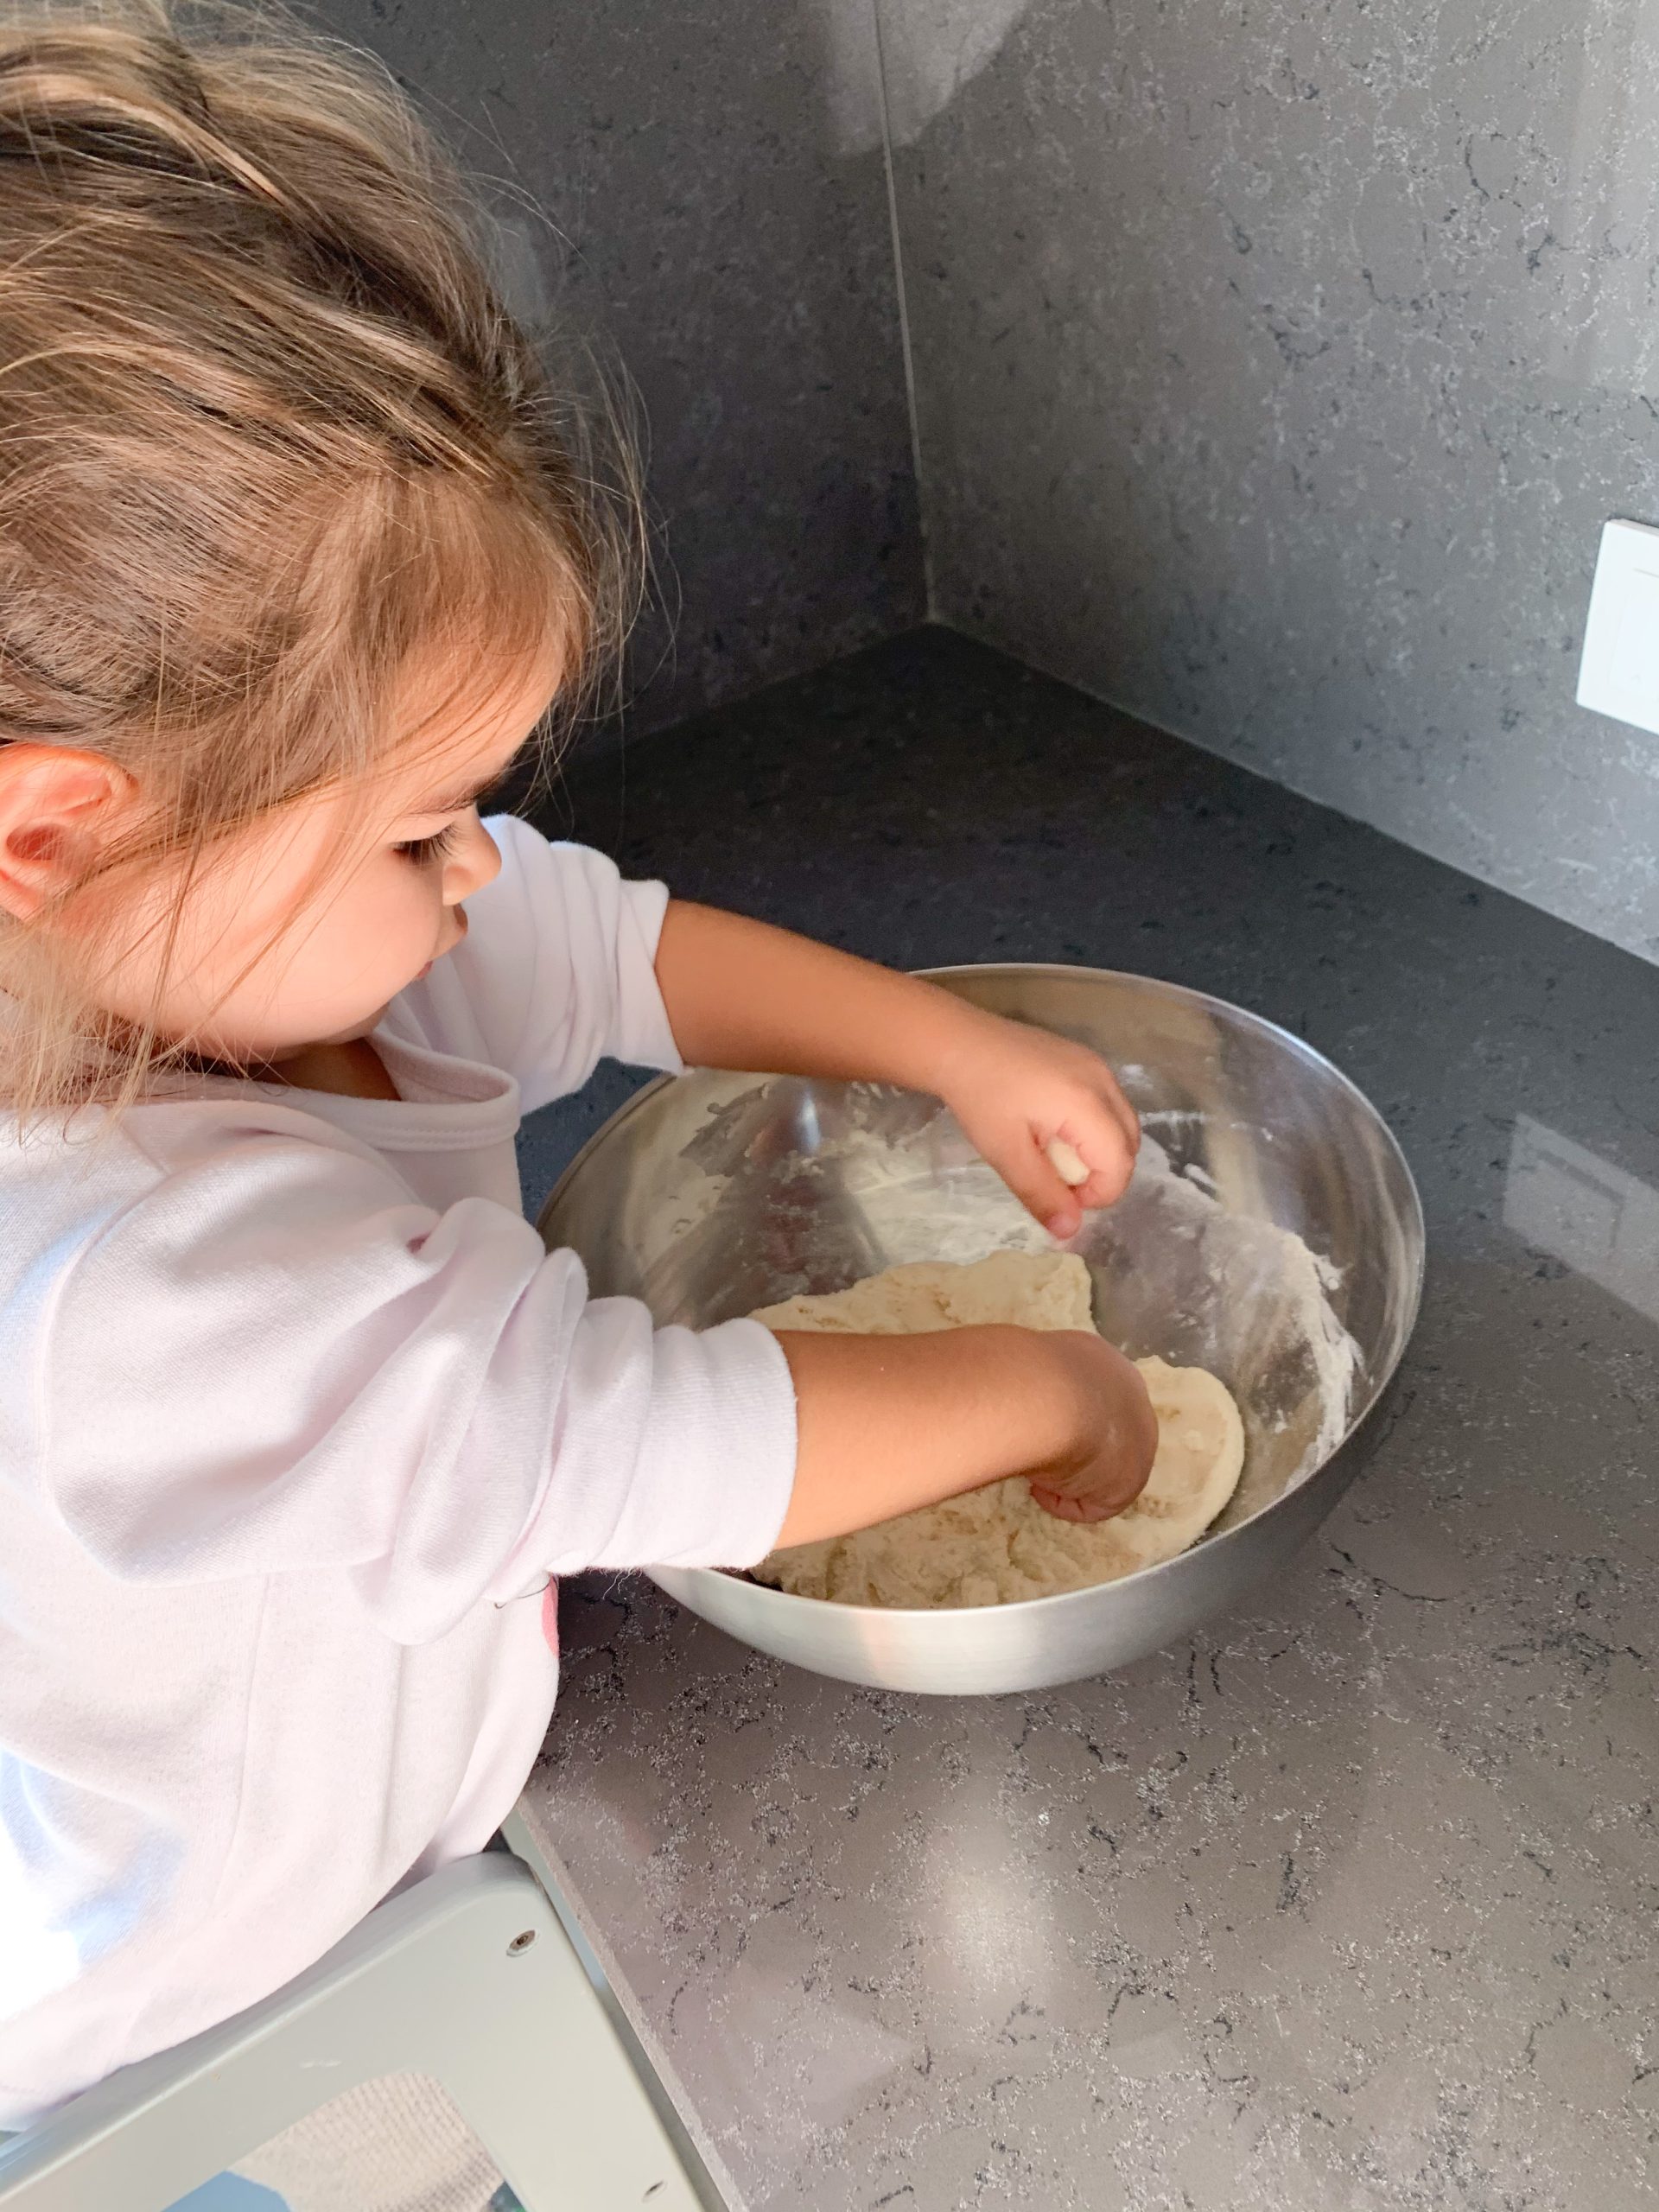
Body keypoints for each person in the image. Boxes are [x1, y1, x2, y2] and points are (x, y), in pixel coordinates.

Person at [0, 0, 1157, 2173]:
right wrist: (1057, 1389)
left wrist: (951, 1042)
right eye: (425, 821)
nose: (478, 870)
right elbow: (636, 1441)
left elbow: (603, 942)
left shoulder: (252, 931)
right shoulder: (130, 1297)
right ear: (57, 831)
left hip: (389, 1783)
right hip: (216, 2014)